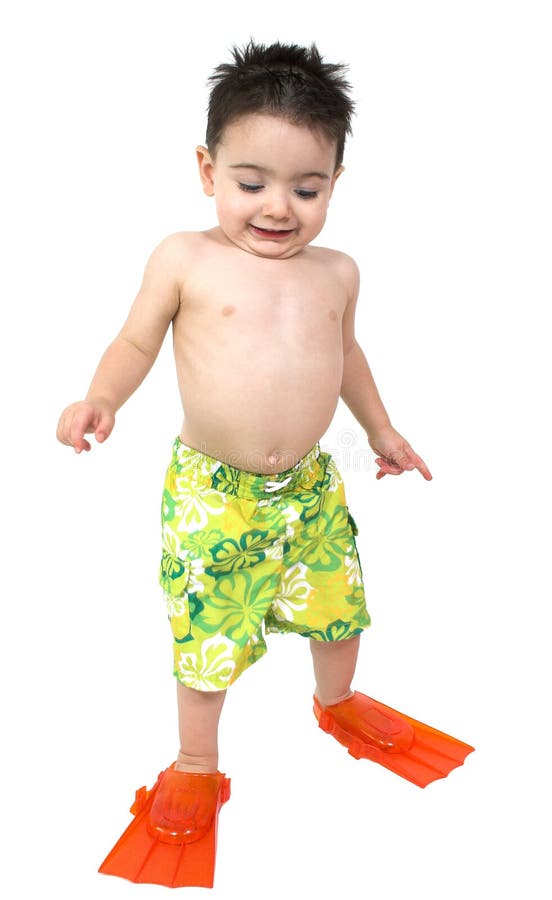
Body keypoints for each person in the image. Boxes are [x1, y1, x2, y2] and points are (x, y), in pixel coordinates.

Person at [57, 41, 471, 889]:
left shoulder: (338, 272)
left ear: (334, 184)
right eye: (251, 184)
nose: (278, 207)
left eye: (306, 188)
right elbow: (137, 340)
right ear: (206, 169)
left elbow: (345, 355)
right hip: (216, 499)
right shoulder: (186, 257)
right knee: (208, 638)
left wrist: (383, 432)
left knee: (340, 607)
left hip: (312, 488)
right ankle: (194, 762)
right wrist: (101, 397)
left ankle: (339, 703)